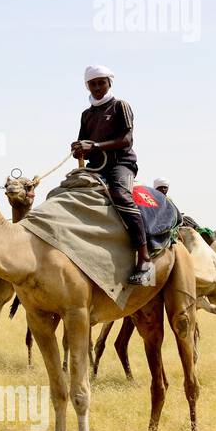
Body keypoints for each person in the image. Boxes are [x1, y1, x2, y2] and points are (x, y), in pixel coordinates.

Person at [71, 64, 151, 284]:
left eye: (101, 83)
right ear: (87, 85)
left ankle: (144, 257)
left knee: (120, 195)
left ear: (109, 83)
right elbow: (84, 143)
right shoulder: (86, 114)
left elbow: (127, 140)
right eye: (93, 83)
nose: (97, 87)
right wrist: (79, 148)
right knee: (67, 192)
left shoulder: (120, 106)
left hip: (120, 164)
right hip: (95, 168)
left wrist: (94, 146)